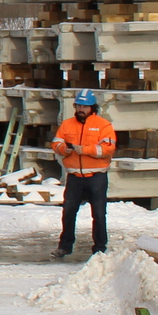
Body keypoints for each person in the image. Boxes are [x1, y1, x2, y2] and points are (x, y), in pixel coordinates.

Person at [49, 89, 115, 259]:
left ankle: (100, 248)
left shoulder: (104, 125)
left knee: (99, 214)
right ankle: (65, 246)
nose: (81, 109)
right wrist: (63, 149)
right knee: (68, 212)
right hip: (74, 178)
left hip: (96, 177)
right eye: (78, 105)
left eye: (84, 106)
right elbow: (56, 143)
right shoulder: (67, 125)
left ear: (92, 108)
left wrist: (85, 150)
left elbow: (108, 149)